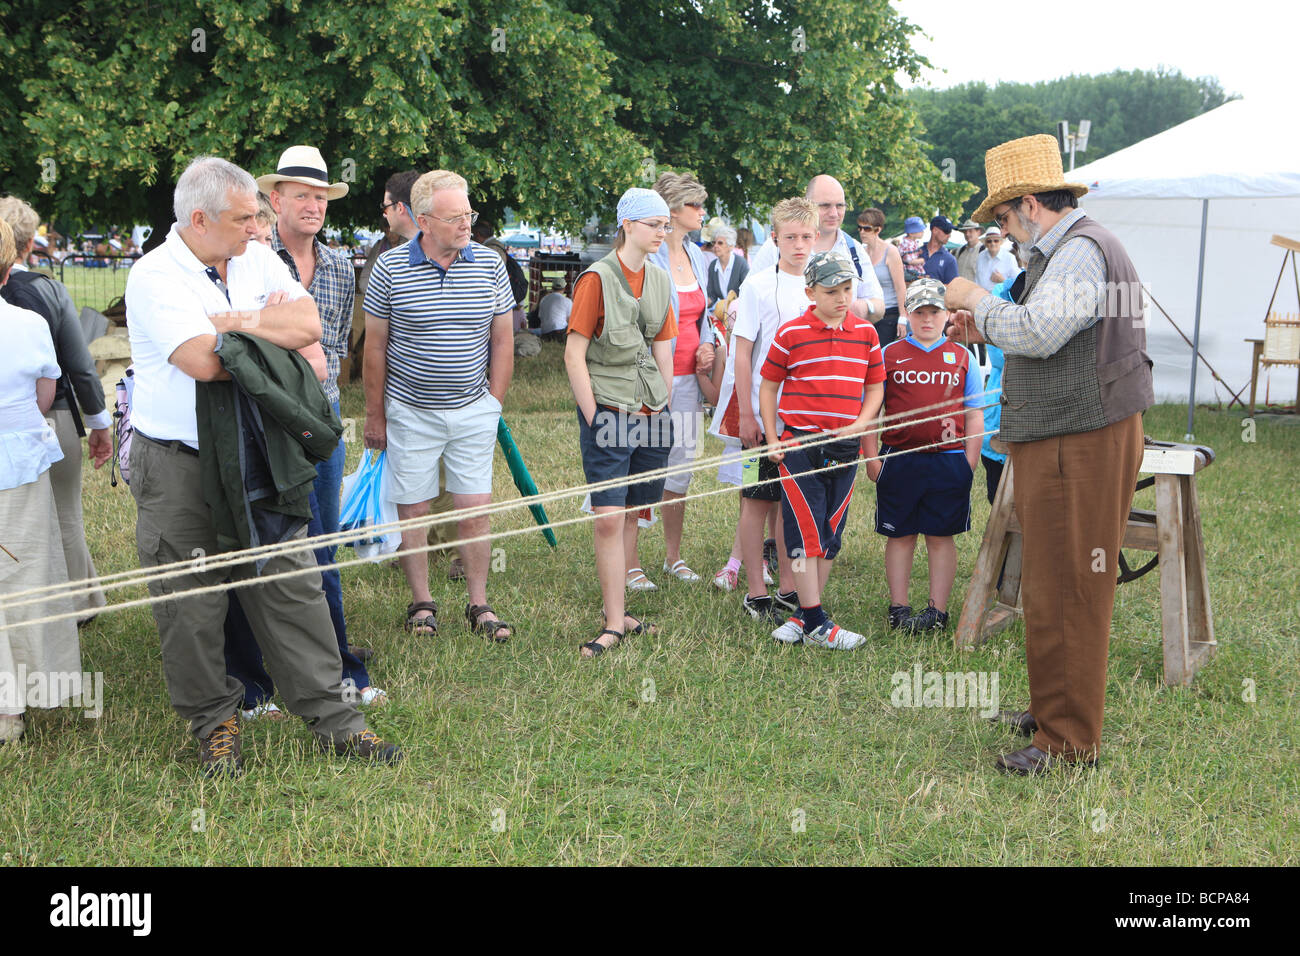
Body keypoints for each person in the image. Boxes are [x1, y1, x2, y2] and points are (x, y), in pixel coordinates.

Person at [125, 156, 400, 776]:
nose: (259, 228)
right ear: (199, 219)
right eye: (246, 217)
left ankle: (337, 721)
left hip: (260, 452)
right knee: (191, 601)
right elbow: (202, 361)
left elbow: (307, 327)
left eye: (258, 216)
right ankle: (215, 725)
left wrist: (235, 323)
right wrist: (258, 333)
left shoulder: (253, 256)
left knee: (293, 583)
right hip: (179, 462)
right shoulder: (152, 276)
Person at [946, 133, 1154, 775]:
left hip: (1082, 438)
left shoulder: (1081, 253)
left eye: (1004, 220)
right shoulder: (1065, 252)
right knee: (1049, 579)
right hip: (1063, 434)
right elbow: (1050, 332)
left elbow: (1038, 331)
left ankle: (1067, 745)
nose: (1003, 235)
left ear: (1031, 205)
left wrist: (974, 299)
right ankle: (1052, 711)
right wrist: (985, 323)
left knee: (1071, 585)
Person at [216, 146, 383, 717]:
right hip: (261, 425)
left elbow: (329, 351)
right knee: (255, 546)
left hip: (319, 422)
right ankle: (251, 681)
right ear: (275, 200)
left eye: (321, 197)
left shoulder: (338, 265)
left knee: (322, 548)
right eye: (301, 195)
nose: (313, 205)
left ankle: (340, 670)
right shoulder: (248, 258)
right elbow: (247, 346)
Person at [361, 169, 515, 642]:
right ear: (424, 221)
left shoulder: (490, 265)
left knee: (474, 508)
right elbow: (374, 348)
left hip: (473, 409)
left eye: (469, 214)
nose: (467, 224)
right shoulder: (389, 268)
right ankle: (421, 603)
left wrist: (493, 403)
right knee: (415, 510)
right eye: (455, 218)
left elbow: (503, 339)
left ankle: (480, 604)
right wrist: (375, 414)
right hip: (410, 410)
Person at [563, 187, 677, 657]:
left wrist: (663, 403)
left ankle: (622, 609)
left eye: (666, 226)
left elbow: (665, 347)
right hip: (608, 407)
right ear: (627, 224)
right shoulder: (596, 278)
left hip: (651, 410)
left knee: (632, 512)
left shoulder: (660, 278)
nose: (662, 233)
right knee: (608, 519)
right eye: (654, 224)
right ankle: (613, 622)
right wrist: (594, 417)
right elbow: (574, 354)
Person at [760, 251, 885, 650]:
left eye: (848, 289)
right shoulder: (791, 333)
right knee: (802, 532)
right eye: (832, 291)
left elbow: (875, 386)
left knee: (830, 532)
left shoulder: (866, 333)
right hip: (800, 446)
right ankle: (816, 621)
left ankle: (803, 615)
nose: (842, 297)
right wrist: (772, 436)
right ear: (810, 291)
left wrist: (863, 423)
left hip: (844, 446)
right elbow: (768, 384)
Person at [0, 197, 113, 622]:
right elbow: (80, 365)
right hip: (55, 415)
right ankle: (81, 604)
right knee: (66, 514)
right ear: (28, 245)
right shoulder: (47, 288)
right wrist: (99, 422)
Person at [709, 198, 820, 624]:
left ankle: (790, 587)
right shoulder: (757, 285)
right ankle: (756, 590)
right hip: (762, 412)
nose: (798, 244)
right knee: (756, 501)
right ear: (775, 238)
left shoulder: (818, 285)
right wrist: (749, 413)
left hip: (803, 414)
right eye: (790, 237)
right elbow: (743, 354)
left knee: (791, 504)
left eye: (806, 237)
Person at [0, 218, 84, 744]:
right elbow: (44, 397)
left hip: (15, 461)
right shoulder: (28, 324)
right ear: (10, 267)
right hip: (17, 463)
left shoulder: (28, 324)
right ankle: (11, 703)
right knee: (22, 579)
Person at [864, 278, 983, 635]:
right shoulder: (890, 354)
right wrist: (872, 459)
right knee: (899, 535)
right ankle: (898, 607)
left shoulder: (962, 356)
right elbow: (871, 410)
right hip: (899, 457)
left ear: (947, 314)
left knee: (939, 536)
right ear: (908, 314)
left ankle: (937, 611)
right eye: (919, 312)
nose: (927, 319)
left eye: (935, 311)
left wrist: (969, 461)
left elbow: (974, 412)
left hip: (947, 459)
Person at [630, 171, 719, 588]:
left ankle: (672, 557)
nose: (702, 212)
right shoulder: (647, 257)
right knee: (642, 467)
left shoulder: (698, 256)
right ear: (671, 210)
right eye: (694, 205)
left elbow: (703, 313)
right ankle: (630, 563)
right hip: (648, 380)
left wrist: (707, 345)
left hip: (689, 379)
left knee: (680, 468)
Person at [373, 170, 463, 578]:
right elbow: (377, 343)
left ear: (405, 209)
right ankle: (416, 549)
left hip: (462, 401)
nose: (384, 215)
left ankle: (447, 547)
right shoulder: (391, 262)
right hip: (409, 401)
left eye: (387, 206)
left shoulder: (465, 255)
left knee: (450, 478)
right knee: (414, 479)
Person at [749, 176, 885, 323]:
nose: (834, 213)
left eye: (840, 205)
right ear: (807, 205)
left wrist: (863, 307)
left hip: (839, 343)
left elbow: (879, 306)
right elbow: (747, 297)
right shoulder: (776, 246)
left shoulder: (854, 250)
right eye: (825, 206)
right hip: (784, 344)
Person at [856, 207, 909, 349]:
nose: (862, 232)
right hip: (868, 313)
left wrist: (903, 318)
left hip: (889, 313)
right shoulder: (861, 252)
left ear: (877, 230)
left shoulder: (890, 251)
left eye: (866, 228)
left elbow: (900, 287)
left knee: (882, 356)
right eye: (859, 228)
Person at [705, 225, 749, 312]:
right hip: (723, 313)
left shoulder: (741, 264)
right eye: (714, 243)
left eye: (720, 243)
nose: (716, 246)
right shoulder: (713, 266)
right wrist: (701, 305)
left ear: (731, 246)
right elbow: (712, 295)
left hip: (741, 312)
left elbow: (748, 293)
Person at [975, 226, 1018, 292]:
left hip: (1000, 299)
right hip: (981, 298)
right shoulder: (980, 256)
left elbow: (1017, 283)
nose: (992, 243)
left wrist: (1003, 280)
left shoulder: (1010, 258)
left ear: (1001, 242)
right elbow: (977, 280)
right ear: (985, 243)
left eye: (996, 241)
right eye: (989, 241)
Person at [921, 215, 958, 283]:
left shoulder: (950, 259)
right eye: (946, 231)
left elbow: (953, 288)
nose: (949, 235)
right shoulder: (916, 253)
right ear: (934, 230)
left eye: (950, 232)